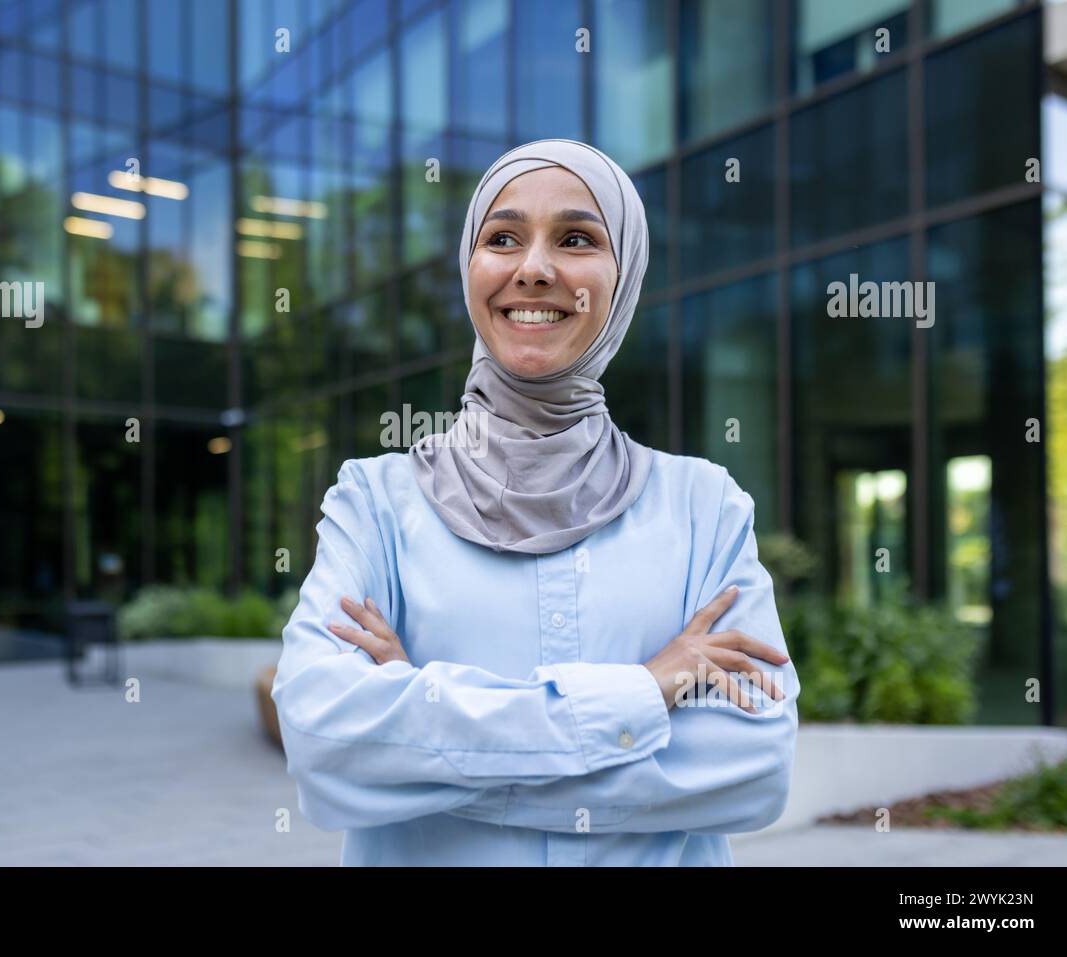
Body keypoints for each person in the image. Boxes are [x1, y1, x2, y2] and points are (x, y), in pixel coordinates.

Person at [271, 138, 800, 866]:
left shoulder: (704, 508)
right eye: (503, 238)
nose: (535, 268)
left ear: (626, 274)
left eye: (577, 238)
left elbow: (753, 769)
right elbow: (323, 740)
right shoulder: (375, 504)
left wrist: (424, 735)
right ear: (470, 266)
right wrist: (644, 694)